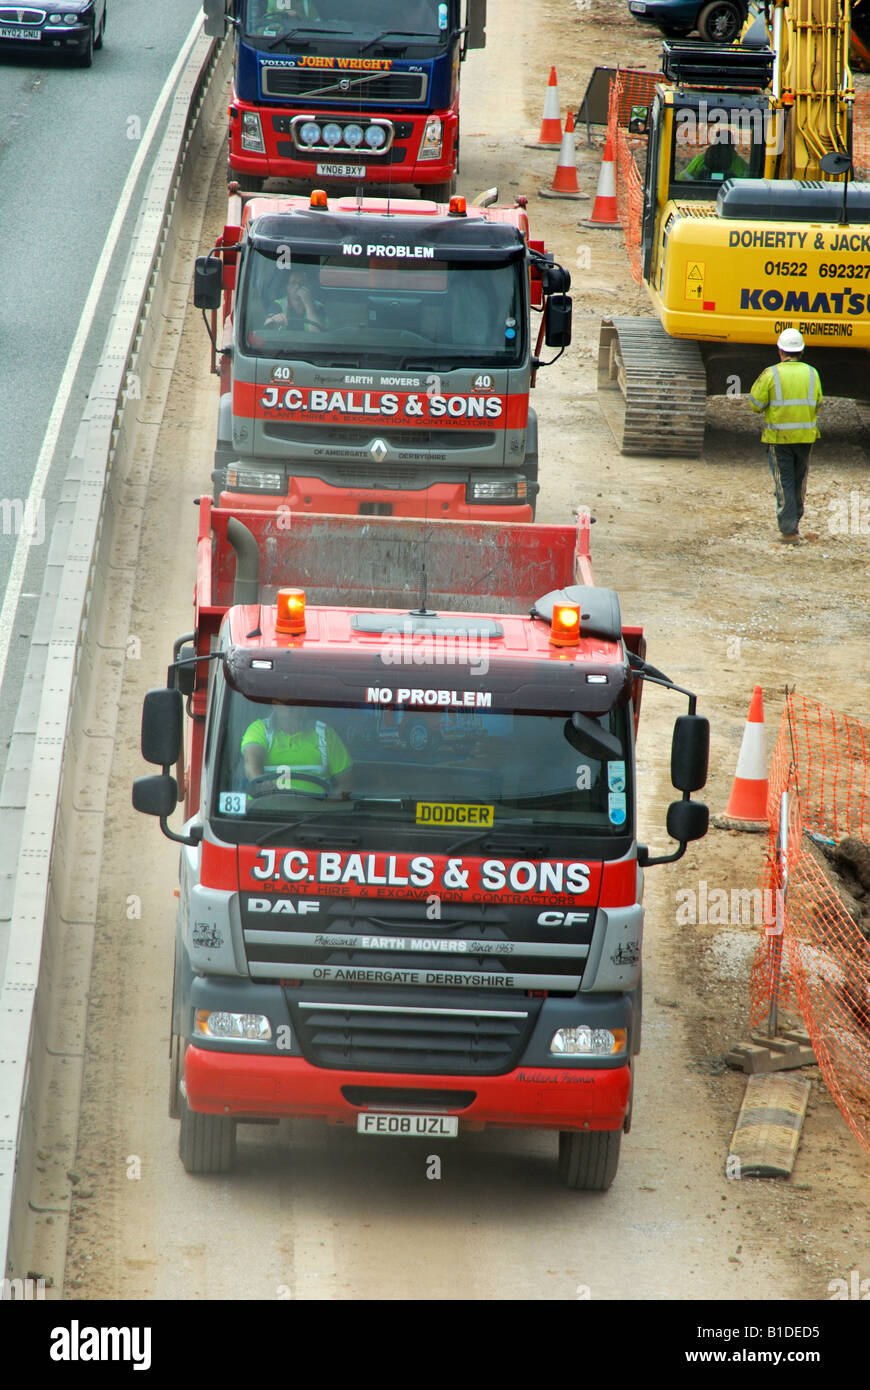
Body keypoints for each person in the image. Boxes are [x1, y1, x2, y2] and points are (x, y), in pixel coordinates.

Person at [749, 328, 823, 543]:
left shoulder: (771, 374)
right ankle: (795, 522)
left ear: (780, 351)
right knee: (800, 481)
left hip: (779, 438)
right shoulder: (812, 373)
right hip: (806, 437)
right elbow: (818, 404)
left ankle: (788, 529)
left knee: (785, 481)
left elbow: (756, 404)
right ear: (802, 351)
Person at [242, 705, 352, 795]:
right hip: (263, 810)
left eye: (299, 704)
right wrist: (261, 783)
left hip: (315, 814)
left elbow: (345, 782)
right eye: (288, 705)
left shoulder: (325, 734)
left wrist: (328, 807)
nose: (294, 710)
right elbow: (252, 759)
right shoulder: (260, 729)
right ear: (275, 704)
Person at [677, 132, 749, 183]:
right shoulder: (740, 164)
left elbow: (681, 179)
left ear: (715, 142)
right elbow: (748, 185)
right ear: (733, 145)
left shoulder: (700, 159)